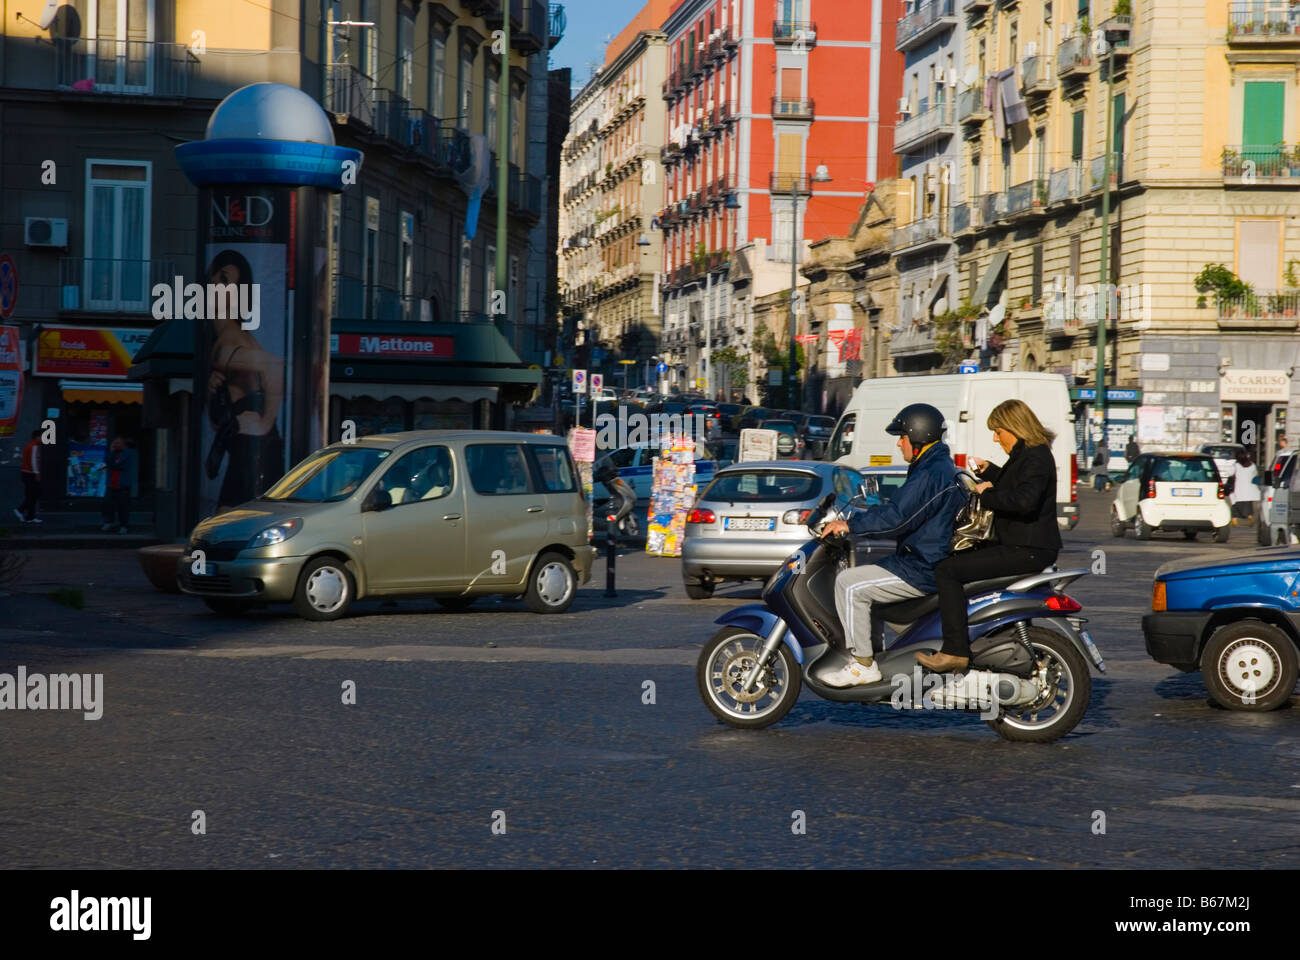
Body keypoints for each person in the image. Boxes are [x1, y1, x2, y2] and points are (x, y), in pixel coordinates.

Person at [819, 403, 965, 686]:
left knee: (848, 583)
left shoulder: (930, 473)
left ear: (918, 437)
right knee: (867, 579)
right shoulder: (934, 466)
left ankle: (863, 664)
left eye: (902, 437)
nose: (899, 443)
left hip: (921, 566)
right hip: (921, 560)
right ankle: (881, 656)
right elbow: (902, 511)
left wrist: (851, 525)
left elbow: (899, 517)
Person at [917, 399, 1063, 673]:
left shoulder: (1036, 456)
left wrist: (987, 494)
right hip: (1021, 544)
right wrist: (991, 471)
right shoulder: (1028, 455)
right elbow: (1018, 484)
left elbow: (1024, 501)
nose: (996, 438)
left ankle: (955, 651)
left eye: (998, 431)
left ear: (1014, 427)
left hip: (1027, 548)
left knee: (947, 570)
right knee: (957, 560)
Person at [204, 250, 285, 512]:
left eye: (225, 280)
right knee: (230, 526)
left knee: (227, 525)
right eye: (214, 276)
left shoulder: (230, 342)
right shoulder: (223, 340)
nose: (214, 284)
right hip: (247, 446)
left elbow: (276, 366)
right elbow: (217, 423)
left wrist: (265, 422)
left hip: (253, 448)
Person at [100, 436, 134, 533]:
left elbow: (118, 465)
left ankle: (124, 525)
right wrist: (111, 452)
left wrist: (111, 464)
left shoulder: (128, 453)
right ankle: (108, 522)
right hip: (111, 484)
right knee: (107, 504)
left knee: (123, 506)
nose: (115, 445)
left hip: (123, 484)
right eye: (114, 443)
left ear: (123, 444)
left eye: (118, 443)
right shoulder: (111, 453)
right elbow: (108, 462)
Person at [14, 428, 43, 525]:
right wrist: (37, 473)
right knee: (33, 495)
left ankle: (30, 517)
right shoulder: (34, 446)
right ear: (37, 437)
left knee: (32, 495)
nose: (43, 439)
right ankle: (20, 510)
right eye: (42, 437)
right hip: (30, 474)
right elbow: (33, 461)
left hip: (26, 473)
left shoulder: (30, 446)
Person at [1229, 448, 1259, 525]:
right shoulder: (1252, 465)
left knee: (1235, 504)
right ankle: (1249, 516)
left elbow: (1230, 473)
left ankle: (1234, 519)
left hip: (1238, 488)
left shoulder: (1236, 465)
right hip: (1249, 488)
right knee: (1248, 504)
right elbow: (1255, 475)